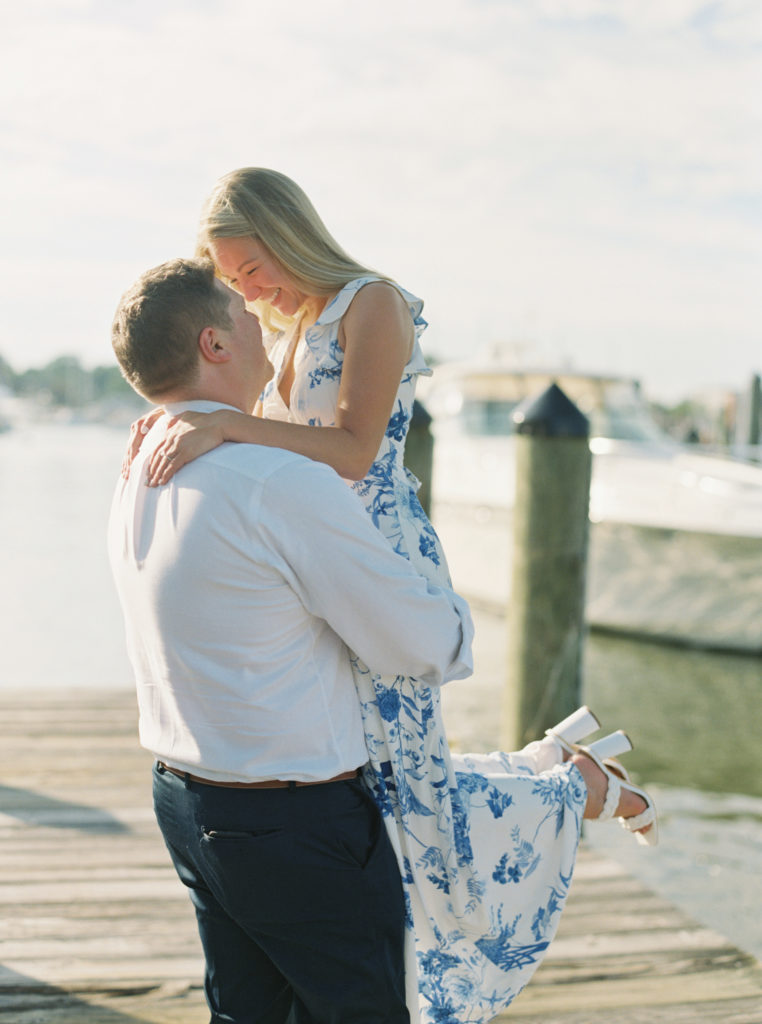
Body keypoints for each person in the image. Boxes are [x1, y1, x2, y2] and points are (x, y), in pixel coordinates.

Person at [123, 170, 657, 1024]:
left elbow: (356, 448)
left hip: (371, 554)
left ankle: (572, 789)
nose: (247, 291)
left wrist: (224, 423)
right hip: (309, 568)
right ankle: (560, 776)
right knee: (375, 791)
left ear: (287, 234)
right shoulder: (279, 323)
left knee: (413, 794)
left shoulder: (373, 302)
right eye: (232, 279)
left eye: (252, 267)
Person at [107, 256, 477, 1024]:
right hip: (293, 827)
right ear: (215, 345)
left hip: (187, 800)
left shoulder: (142, 466)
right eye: (240, 309)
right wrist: (452, 615)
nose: (259, 316)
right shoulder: (275, 481)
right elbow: (422, 645)